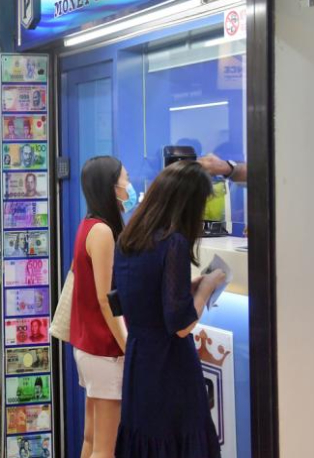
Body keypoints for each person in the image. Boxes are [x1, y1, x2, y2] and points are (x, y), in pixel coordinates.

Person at [114, 160, 226, 458]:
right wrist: (207, 285)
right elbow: (181, 325)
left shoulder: (129, 238)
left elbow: (145, 297)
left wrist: (188, 288)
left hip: (140, 360)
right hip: (170, 366)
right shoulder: (173, 241)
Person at [67, 156, 131, 458]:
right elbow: (107, 299)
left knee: (91, 440)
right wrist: (127, 346)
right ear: (111, 186)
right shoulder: (104, 232)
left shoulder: (88, 226)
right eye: (125, 180)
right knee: (106, 448)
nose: (128, 187)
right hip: (105, 349)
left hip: (87, 345)